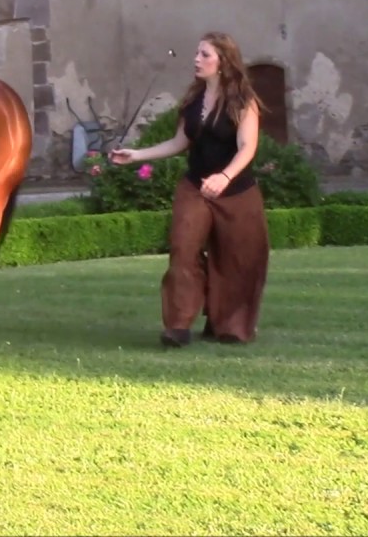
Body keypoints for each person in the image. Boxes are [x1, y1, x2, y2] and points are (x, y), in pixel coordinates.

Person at [110, 32, 271, 348]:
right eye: (197, 54)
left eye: (205, 55)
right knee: (183, 250)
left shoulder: (243, 101)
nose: (196, 60)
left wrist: (224, 177)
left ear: (223, 62)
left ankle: (228, 325)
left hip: (237, 191)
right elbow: (179, 143)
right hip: (195, 188)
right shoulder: (193, 101)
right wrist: (136, 155)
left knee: (239, 258)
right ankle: (178, 326)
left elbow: (247, 147)